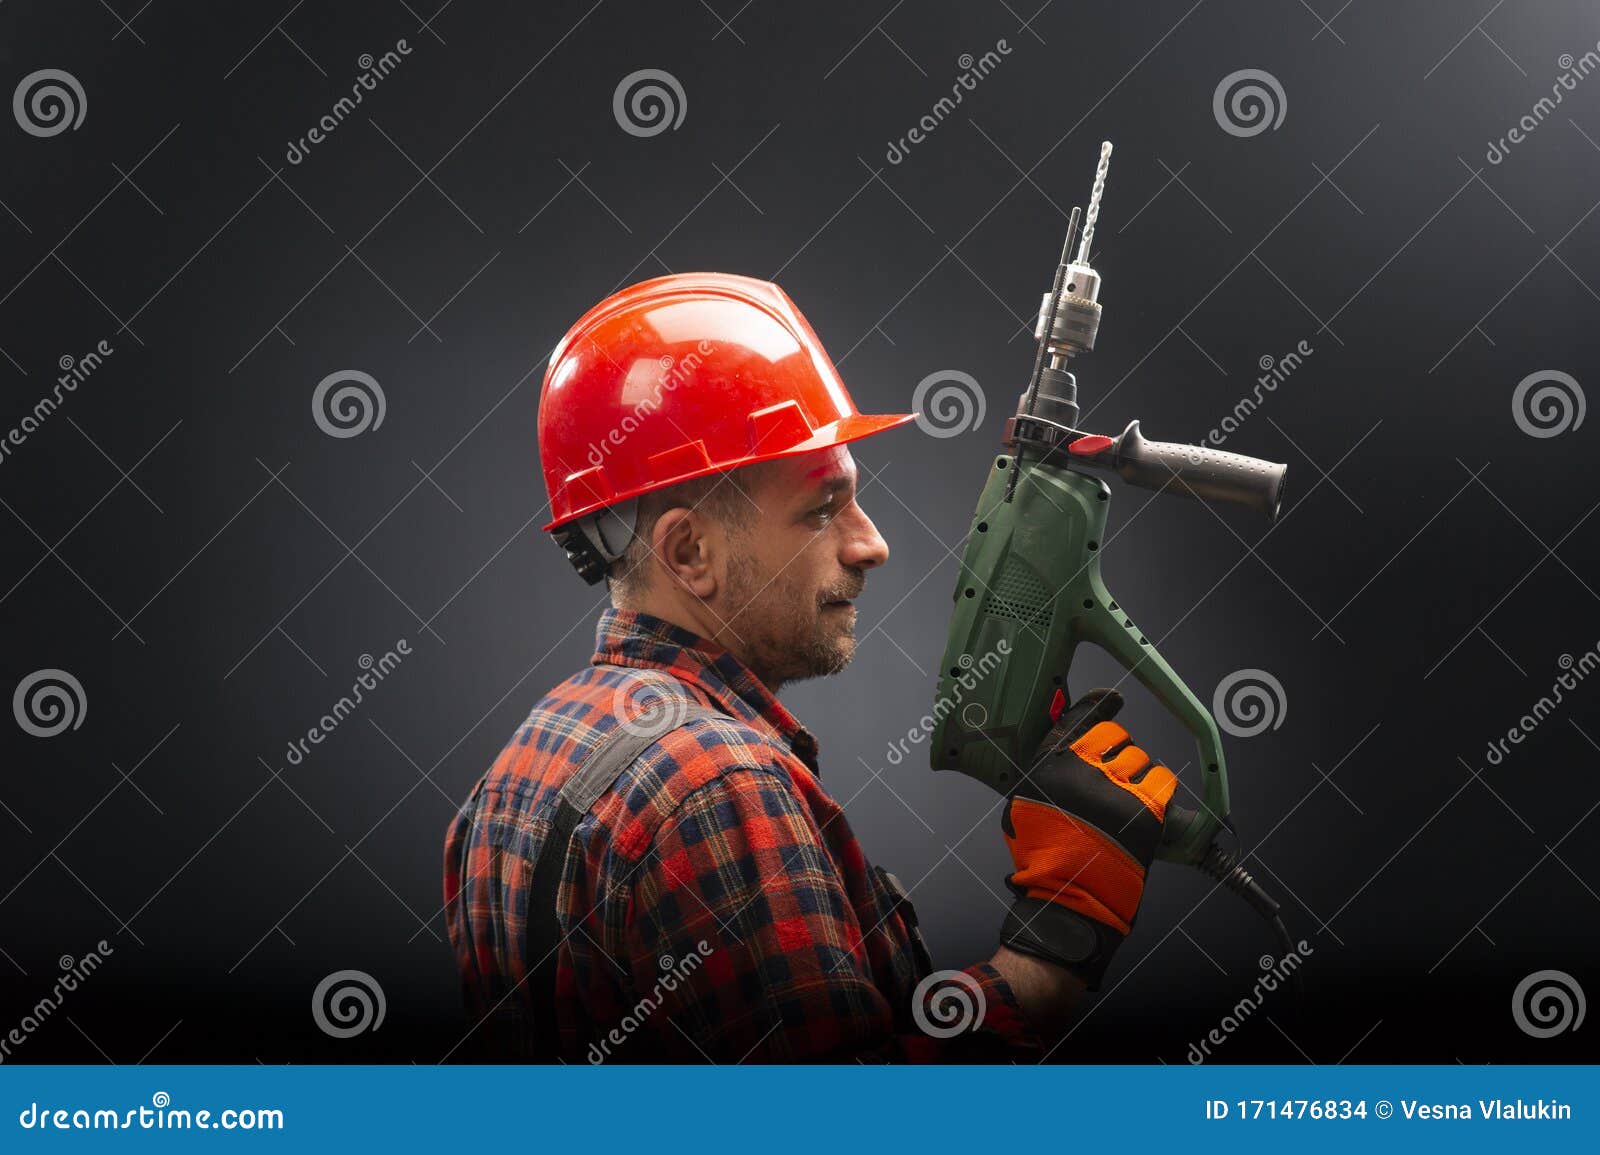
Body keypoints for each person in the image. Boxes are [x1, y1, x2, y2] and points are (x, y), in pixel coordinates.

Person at [442, 273, 1177, 1061]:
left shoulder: (517, 769)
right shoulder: (720, 789)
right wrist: (1056, 946)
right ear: (691, 551)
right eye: (823, 508)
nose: (871, 544)